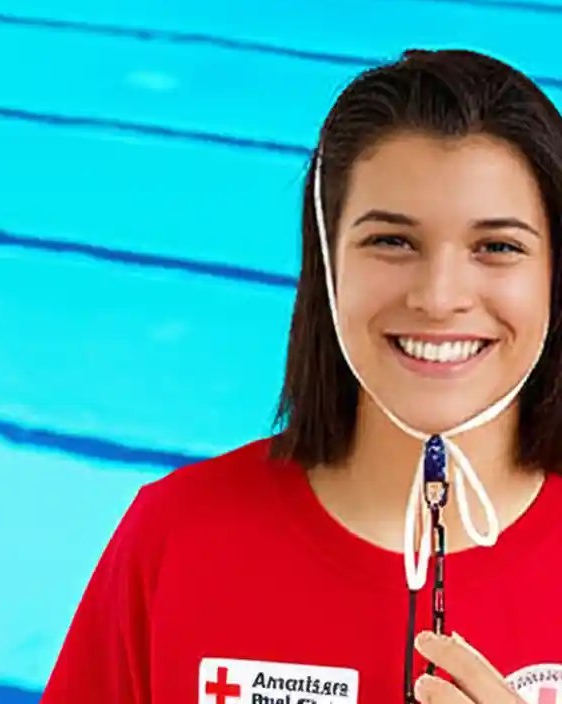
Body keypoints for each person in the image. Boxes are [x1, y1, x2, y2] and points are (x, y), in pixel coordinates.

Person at [41, 49, 562, 704]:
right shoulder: (178, 539)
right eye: (392, 241)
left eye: (498, 247)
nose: (439, 296)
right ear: (327, 263)